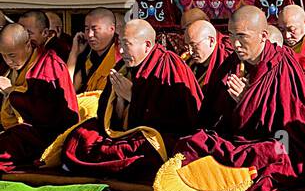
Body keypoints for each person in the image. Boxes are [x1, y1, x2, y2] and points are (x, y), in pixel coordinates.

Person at [158, 5, 305, 191]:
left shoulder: (283, 66)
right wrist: (233, 105)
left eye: (242, 36)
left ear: (263, 35)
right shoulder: (230, 65)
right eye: (232, 35)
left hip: (278, 143)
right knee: (193, 142)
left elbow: (291, 132)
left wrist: (246, 100)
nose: (235, 43)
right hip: (238, 142)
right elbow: (211, 119)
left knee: (270, 156)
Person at [58, 21, 202, 181]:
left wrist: (133, 98)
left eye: (127, 45)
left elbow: (180, 121)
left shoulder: (170, 67)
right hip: (122, 134)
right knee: (81, 135)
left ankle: (101, 167)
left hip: (153, 137)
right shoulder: (122, 66)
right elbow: (104, 115)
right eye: (120, 44)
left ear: (147, 45)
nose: (121, 50)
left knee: (143, 151)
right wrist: (118, 102)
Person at [0, 22, 79, 171]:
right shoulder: (19, 64)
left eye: (11, 55)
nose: (8, 61)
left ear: (28, 45)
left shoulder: (48, 66)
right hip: (25, 133)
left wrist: (12, 91)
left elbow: (46, 116)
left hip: (50, 137)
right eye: (3, 56)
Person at [184, 18, 235, 123]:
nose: (190, 51)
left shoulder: (228, 61)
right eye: (187, 46)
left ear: (211, 41)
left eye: (194, 45)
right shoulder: (188, 61)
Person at [67, 8, 120, 103]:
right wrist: (74, 53)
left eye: (95, 29)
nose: (90, 35)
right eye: (87, 29)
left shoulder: (120, 58)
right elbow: (68, 89)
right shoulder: (88, 56)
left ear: (111, 29)